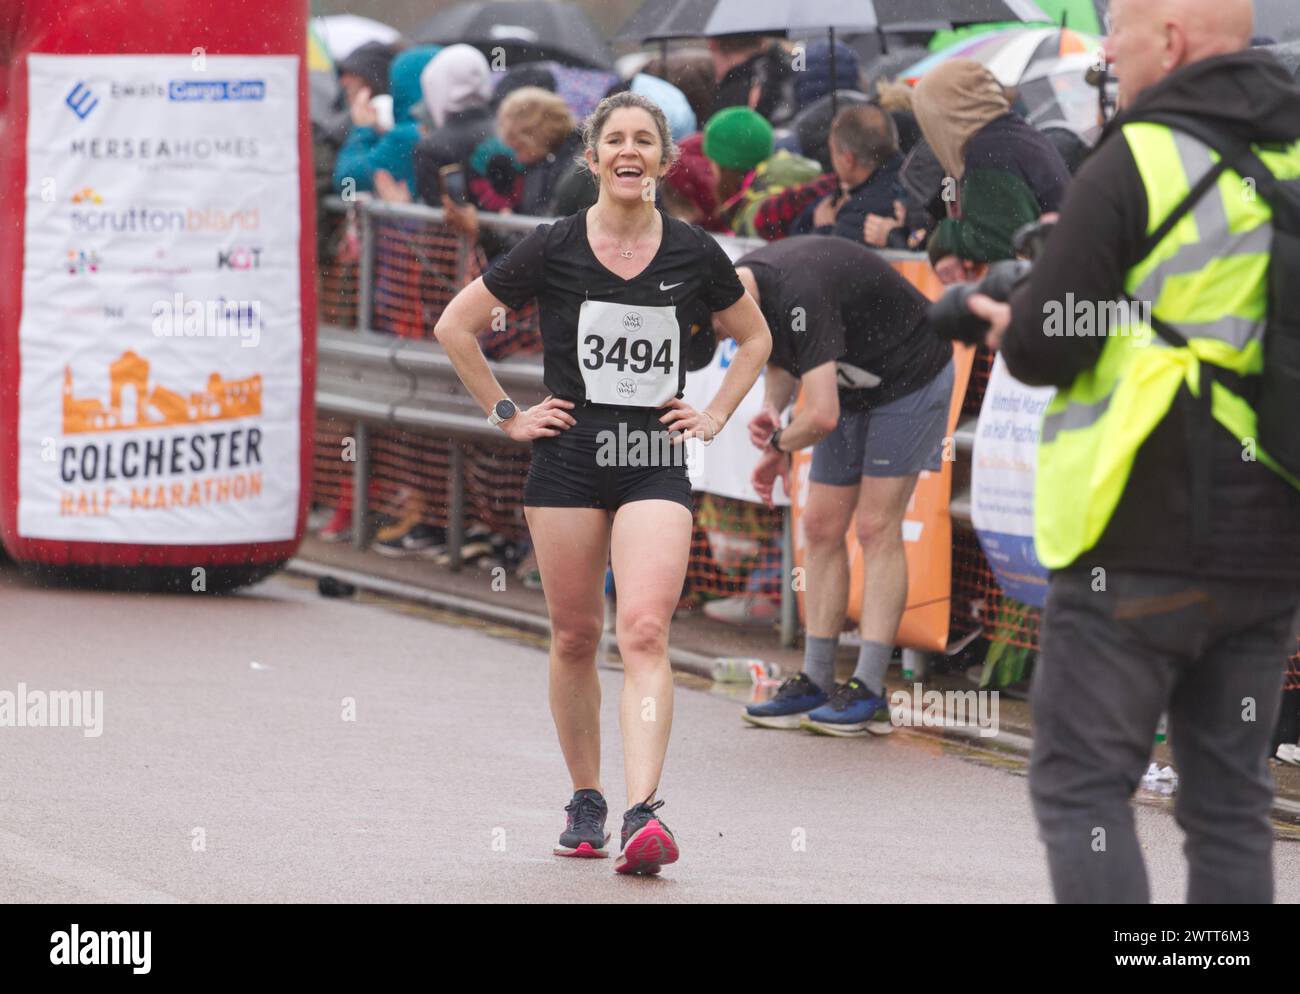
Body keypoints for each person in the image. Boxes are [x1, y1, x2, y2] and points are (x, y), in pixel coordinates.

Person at [969, 0, 1300, 903]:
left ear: (1174, 39)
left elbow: (1044, 345)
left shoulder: (1143, 155)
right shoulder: (1293, 152)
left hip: (1138, 527)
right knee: (1231, 803)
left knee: (1082, 784)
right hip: (1272, 539)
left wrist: (1011, 312)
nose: (1106, 47)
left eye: (1118, 28)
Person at [433, 91, 771, 874]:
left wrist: (716, 414)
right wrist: (507, 413)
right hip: (569, 456)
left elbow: (753, 337)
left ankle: (644, 812)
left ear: (662, 160)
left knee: (646, 630)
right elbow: (456, 325)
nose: (629, 150)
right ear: (592, 160)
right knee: (577, 635)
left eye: (644, 140)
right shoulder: (553, 246)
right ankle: (586, 798)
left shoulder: (692, 251)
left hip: (652, 456)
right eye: (614, 139)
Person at [733, 236, 954, 734]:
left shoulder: (800, 293)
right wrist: (773, 410)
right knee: (821, 525)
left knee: (877, 525)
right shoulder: (742, 287)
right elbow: (780, 356)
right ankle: (815, 676)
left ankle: (870, 689)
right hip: (856, 380)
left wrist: (779, 446)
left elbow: (823, 415)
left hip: (912, 373)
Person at [912, 59, 1070, 270]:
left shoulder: (989, 153)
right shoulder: (1015, 136)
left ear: (944, 115)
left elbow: (999, 239)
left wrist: (943, 240)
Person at [332, 45, 439, 197]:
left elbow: (346, 183)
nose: (343, 81)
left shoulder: (408, 136)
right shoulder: (444, 129)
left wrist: (363, 130)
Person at [790, 103, 904, 243]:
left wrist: (824, 230)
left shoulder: (857, 216)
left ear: (848, 160)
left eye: (832, 151)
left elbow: (823, 261)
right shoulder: (912, 180)